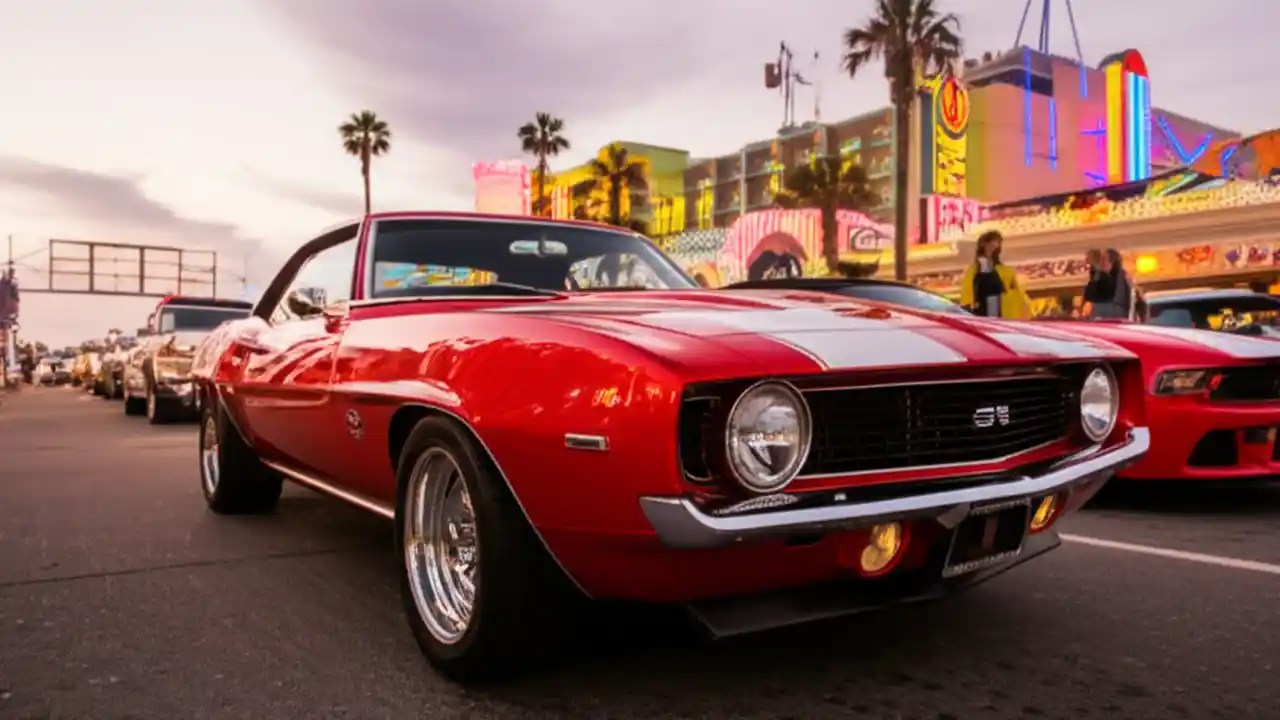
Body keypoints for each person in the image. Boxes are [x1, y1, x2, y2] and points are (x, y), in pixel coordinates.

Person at [959, 230, 1031, 319]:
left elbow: (1017, 294)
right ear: (983, 245)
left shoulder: (1006, 271)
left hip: (1001, 308)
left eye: (996, 244)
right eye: (990, 245)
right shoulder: (974, 270)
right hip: (982, 309)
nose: (993, 247)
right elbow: (967, 295)